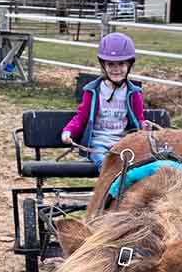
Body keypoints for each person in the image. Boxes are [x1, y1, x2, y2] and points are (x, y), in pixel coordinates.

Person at [61, 33, 148, 170]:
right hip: (98, 144)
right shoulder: (93, 91)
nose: (116, 69)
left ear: (129, 65)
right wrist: (69, 131)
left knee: (134, 167)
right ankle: (110, 191)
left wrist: (144, 126)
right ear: (103, 65)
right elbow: (81, 117)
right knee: (105, 165)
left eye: (121, 64)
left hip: (123, 144)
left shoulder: (134, 93)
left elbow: (138, 119)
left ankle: (123, 191)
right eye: (111, 64)